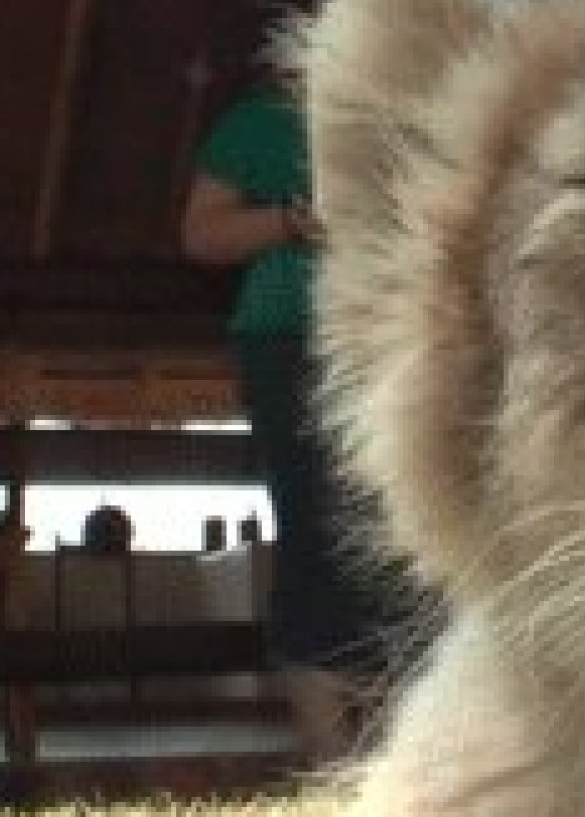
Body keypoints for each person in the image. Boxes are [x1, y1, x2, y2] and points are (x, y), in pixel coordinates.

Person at [181, 80, 393, 765]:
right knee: (314, 533)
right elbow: (202, 233)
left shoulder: (400, 108)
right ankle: (331, 754)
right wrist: (290, 223)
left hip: (386, 339)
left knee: (393, 537)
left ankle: (392, 749)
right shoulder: (253, 122)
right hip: (287, 342)